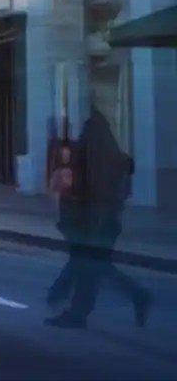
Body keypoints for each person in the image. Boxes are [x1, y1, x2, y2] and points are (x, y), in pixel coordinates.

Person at [45, 108, 151, 328]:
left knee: (91, 265)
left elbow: (93, 193)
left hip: (96, 223)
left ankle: (132, 295)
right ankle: (78, 309)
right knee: (92, 266)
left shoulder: (98, 157)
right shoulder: (109, 154)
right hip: (101, 222)